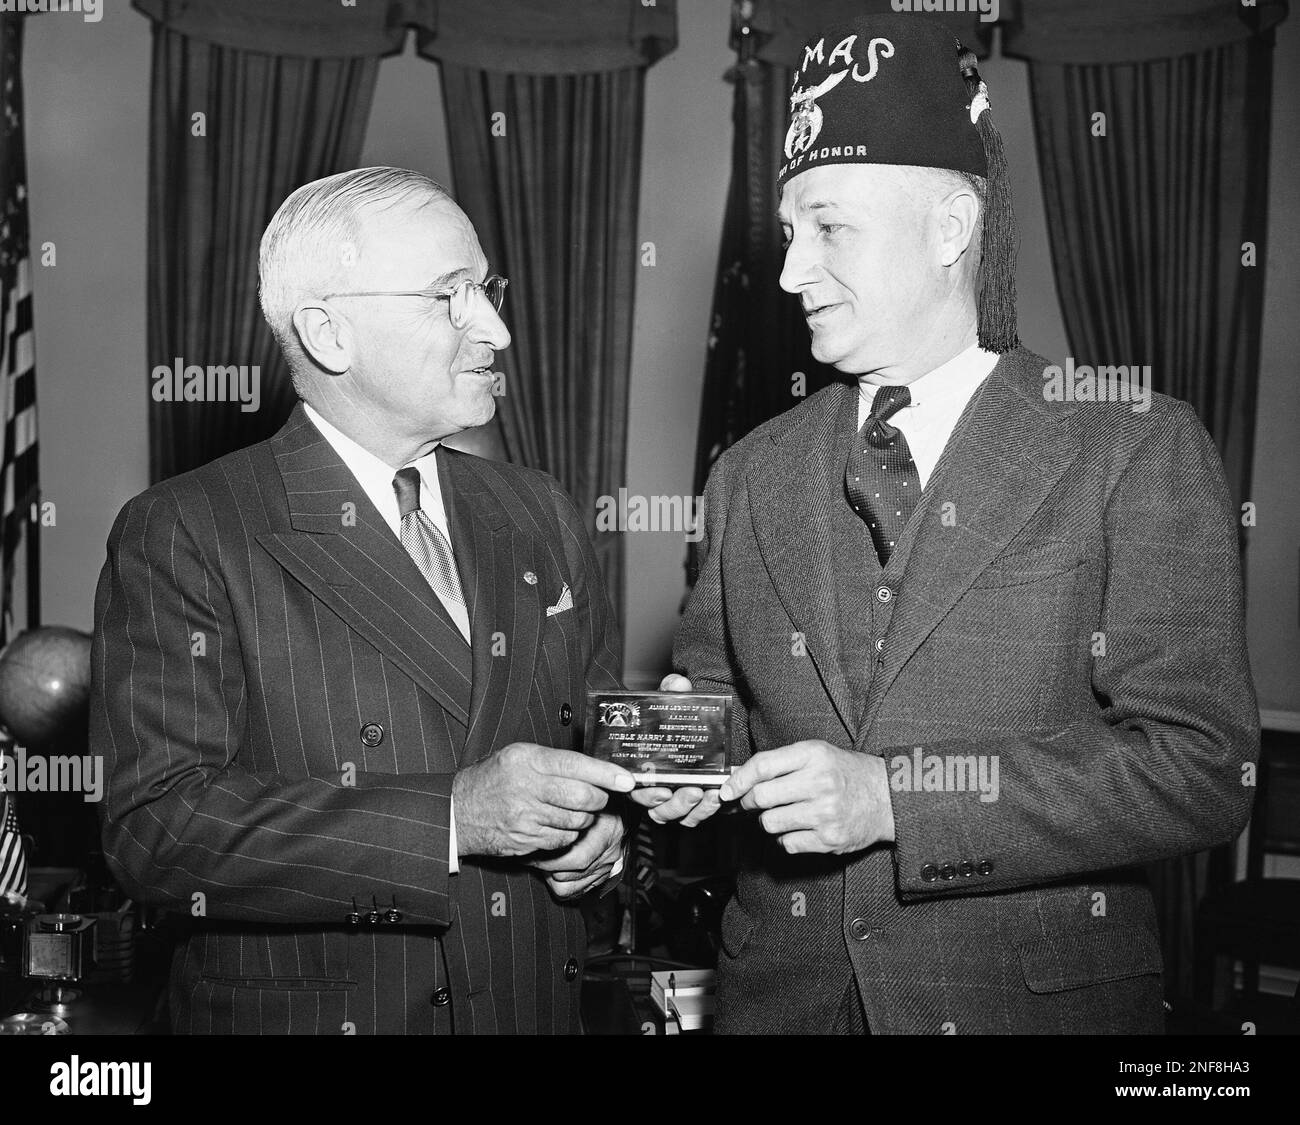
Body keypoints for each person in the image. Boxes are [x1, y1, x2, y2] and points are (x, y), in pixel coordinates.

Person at [641, 15, 1259, 1034]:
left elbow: (1198, 767)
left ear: (947, 229)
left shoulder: (1131, 445)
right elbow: (720, 703)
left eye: (827, 227)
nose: (791, 272)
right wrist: (687, 764)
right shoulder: (748, 474)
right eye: (787, 232)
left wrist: (898, 803)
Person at [91, 167, 634, 1035]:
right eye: (448, 296)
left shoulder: (539, 513)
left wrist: (603, 835)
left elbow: (592, 744)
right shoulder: (188, 530)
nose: (494, 327)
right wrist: (452, 818)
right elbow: (158, 830)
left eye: (487, 289)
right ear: (329, 332)